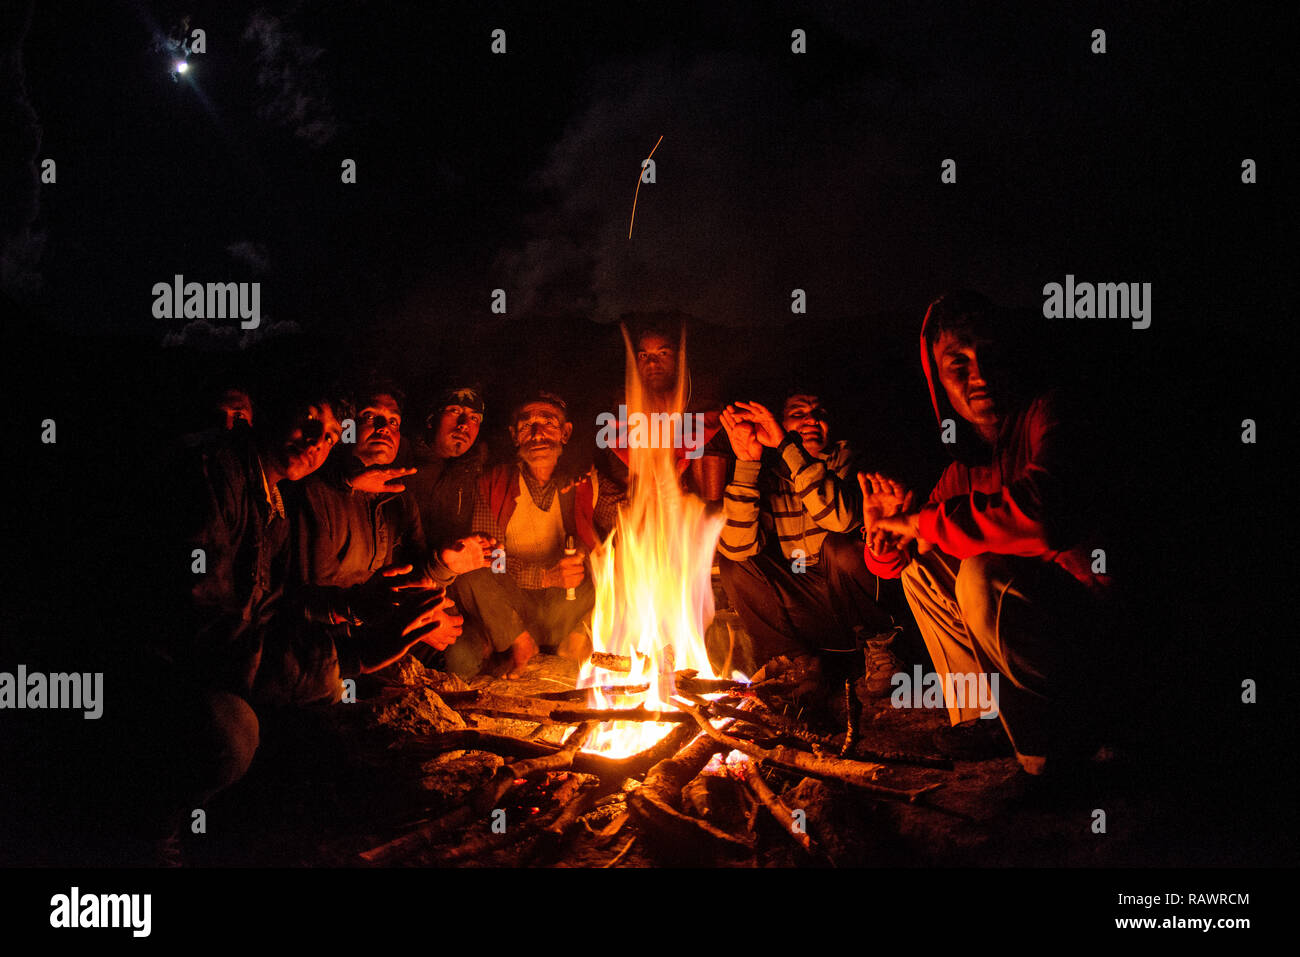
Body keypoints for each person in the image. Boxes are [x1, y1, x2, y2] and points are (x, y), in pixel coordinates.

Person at [862, 291, 1111, 775]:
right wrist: (886, 540)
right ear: (939, 378)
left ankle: (1050, 759)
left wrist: (922, 523)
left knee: (980, 572)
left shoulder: (1053, 413)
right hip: (1047, 640)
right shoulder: (967, 466)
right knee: (921, 570)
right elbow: (905, 556)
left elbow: (1045, 514)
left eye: (990, 356)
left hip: (1103, 630)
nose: (979, 376)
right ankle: (987, 718)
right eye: (958, 362)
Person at [716, 389, 896, 681]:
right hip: (802, 605)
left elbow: (840, 519)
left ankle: (881, 646)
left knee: (840, 545)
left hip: (851, 602)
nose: (811, 420)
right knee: (734, 562)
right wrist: (747, 464)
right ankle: (793, 662)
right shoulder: (769, 474)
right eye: (798, 414)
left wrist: (788, 448)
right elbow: (738, 549)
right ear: (780, 425)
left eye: (819, 414)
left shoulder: (848, 459)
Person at [449, 391, 619, 678]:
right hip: (513, 611)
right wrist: (544, 576)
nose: (538, 434)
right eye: (527, 426)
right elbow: (491, 560)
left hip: (570, 610)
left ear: (565, 433)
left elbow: (629, 523)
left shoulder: (585, 482)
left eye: (549, 423)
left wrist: (588, 555)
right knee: (470, 573)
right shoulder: (494, 484)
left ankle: (579, 638)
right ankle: (521, 646)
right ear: (515, 436)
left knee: (628, 563)